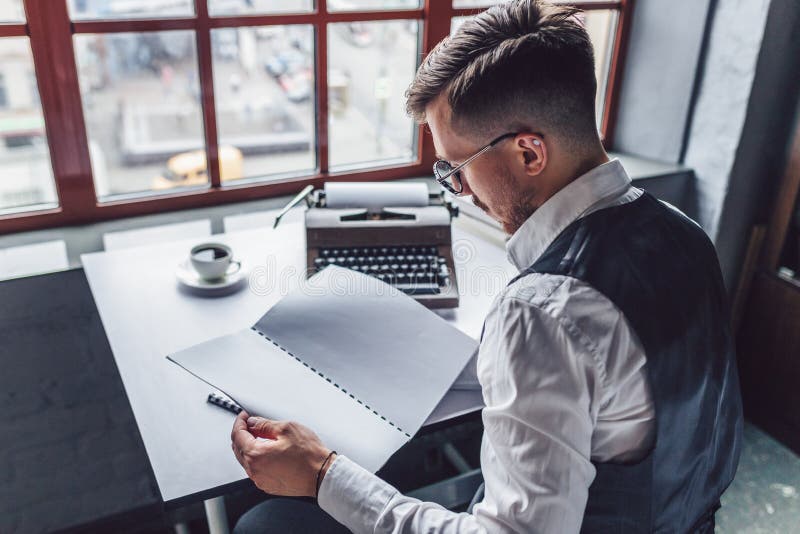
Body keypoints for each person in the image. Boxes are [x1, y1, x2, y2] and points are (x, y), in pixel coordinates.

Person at [230, 1, 743, 532]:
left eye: (458, 167)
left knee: (264, 522)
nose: (458, 190)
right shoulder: (685, 231)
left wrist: (322, 472)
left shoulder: (541, 314)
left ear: (529, 153)